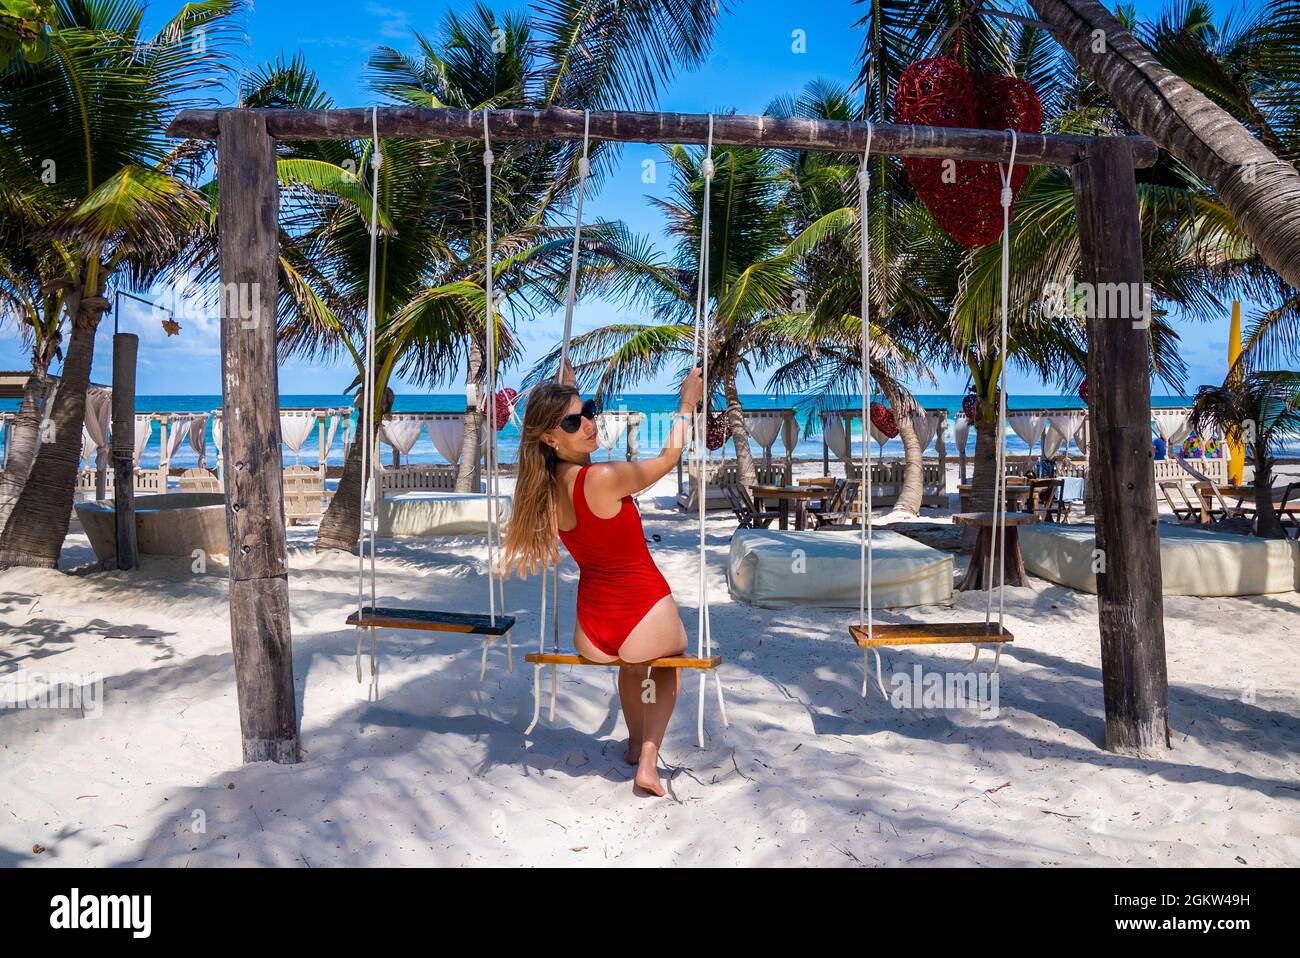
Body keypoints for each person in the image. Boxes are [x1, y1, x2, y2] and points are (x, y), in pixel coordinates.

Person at [501, 363, 705, 797]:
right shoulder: (606, 477)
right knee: (670, 663)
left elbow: (567, 445)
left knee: (633, 666)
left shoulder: (544, 488)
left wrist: (568, 395)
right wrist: (686, 404)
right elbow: (669, 459)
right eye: (574, 422)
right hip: (642, 606)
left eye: (589, 411)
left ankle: (633, 744)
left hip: (593, 627)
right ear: (550, 439)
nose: (589, 424)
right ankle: (647, 761)